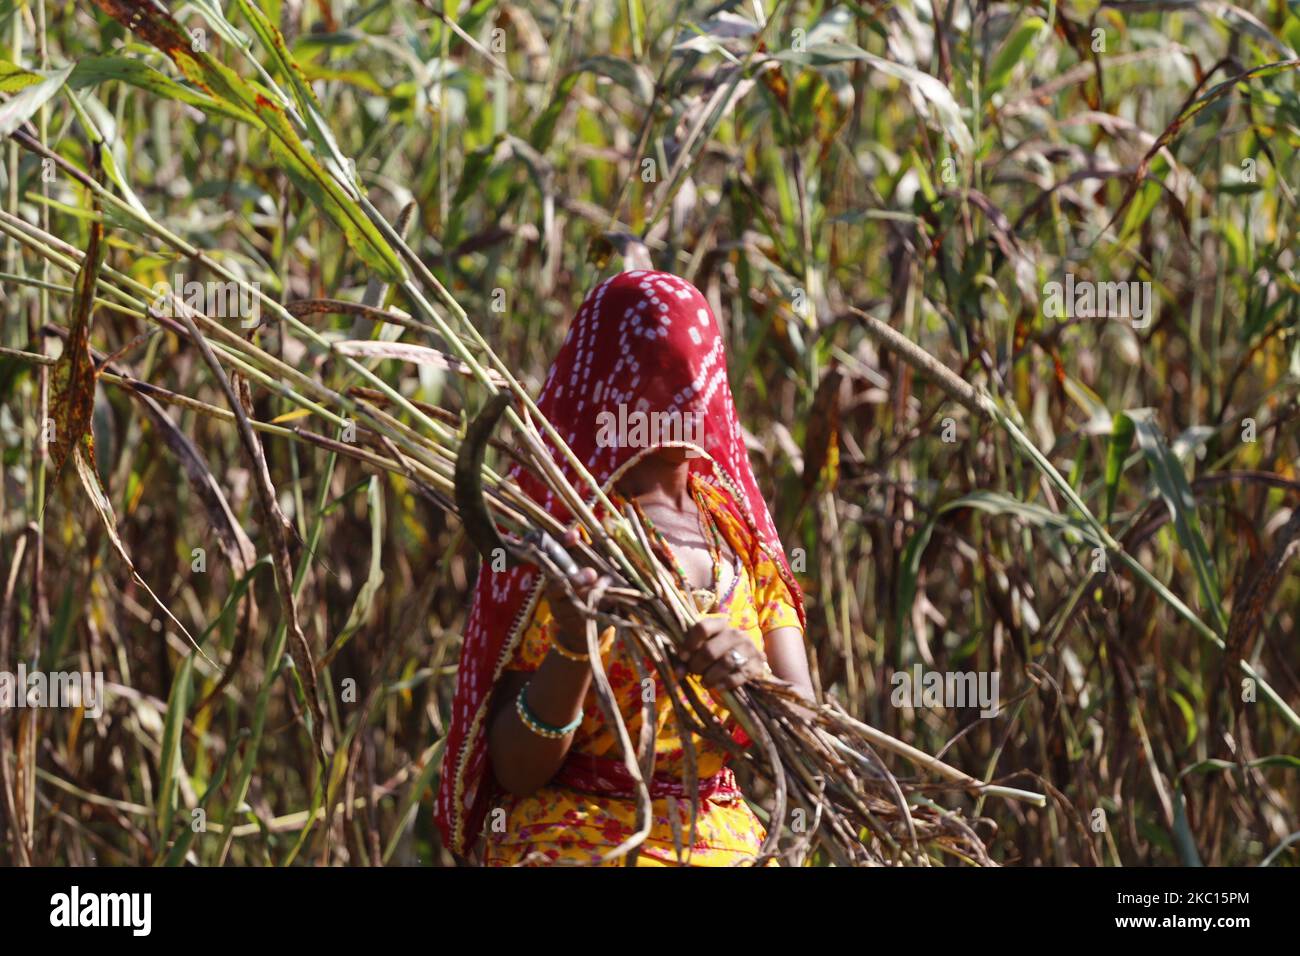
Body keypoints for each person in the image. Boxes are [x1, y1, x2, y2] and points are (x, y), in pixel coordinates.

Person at [435, 270, 813, 865]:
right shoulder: (557, 535)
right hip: (569, 841)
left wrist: (752, 670)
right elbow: (516, 771)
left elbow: (807, 745)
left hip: (719, 843)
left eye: (691, 376)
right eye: (657, 376)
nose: (681, 397)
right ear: (604, 385)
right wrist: (572, 647)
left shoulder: (741, 542)